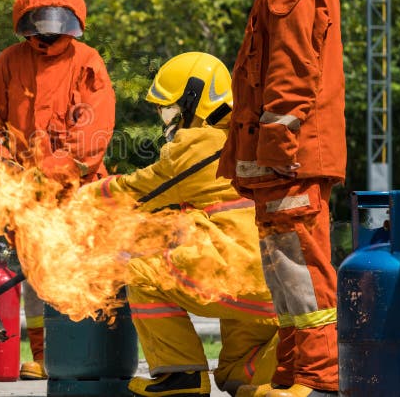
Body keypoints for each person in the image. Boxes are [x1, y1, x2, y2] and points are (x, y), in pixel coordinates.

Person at [215, 0, 346, 397]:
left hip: (291, 159)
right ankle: (292, 375)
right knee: (286, 272)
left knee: (302, 271)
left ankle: (319, 378)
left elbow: (291, 73)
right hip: (282, 161)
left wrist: (276, 153)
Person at [86, 52, 279, 397]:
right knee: (235, 375)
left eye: (170, 109)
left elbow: (136, 192)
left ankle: (182, 377)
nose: (167, 119)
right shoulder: (249, 134)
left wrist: (81, 200)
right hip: (276, 283)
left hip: (240, 273)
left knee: (142, 272)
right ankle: (296, 365)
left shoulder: (198, 145)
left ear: (193, 100)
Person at [0, 0, 116, 380]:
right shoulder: (9, 62)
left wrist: (50, 175)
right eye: (39, 24)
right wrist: (7, 170)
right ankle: (45, 357)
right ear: (26, 22)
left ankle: (87, 356)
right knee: (37, 281)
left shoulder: (87, 62)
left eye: (55, 24)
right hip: (27, 200)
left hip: (78, 196)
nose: (48, 34)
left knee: (82, 278)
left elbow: (92, 135)